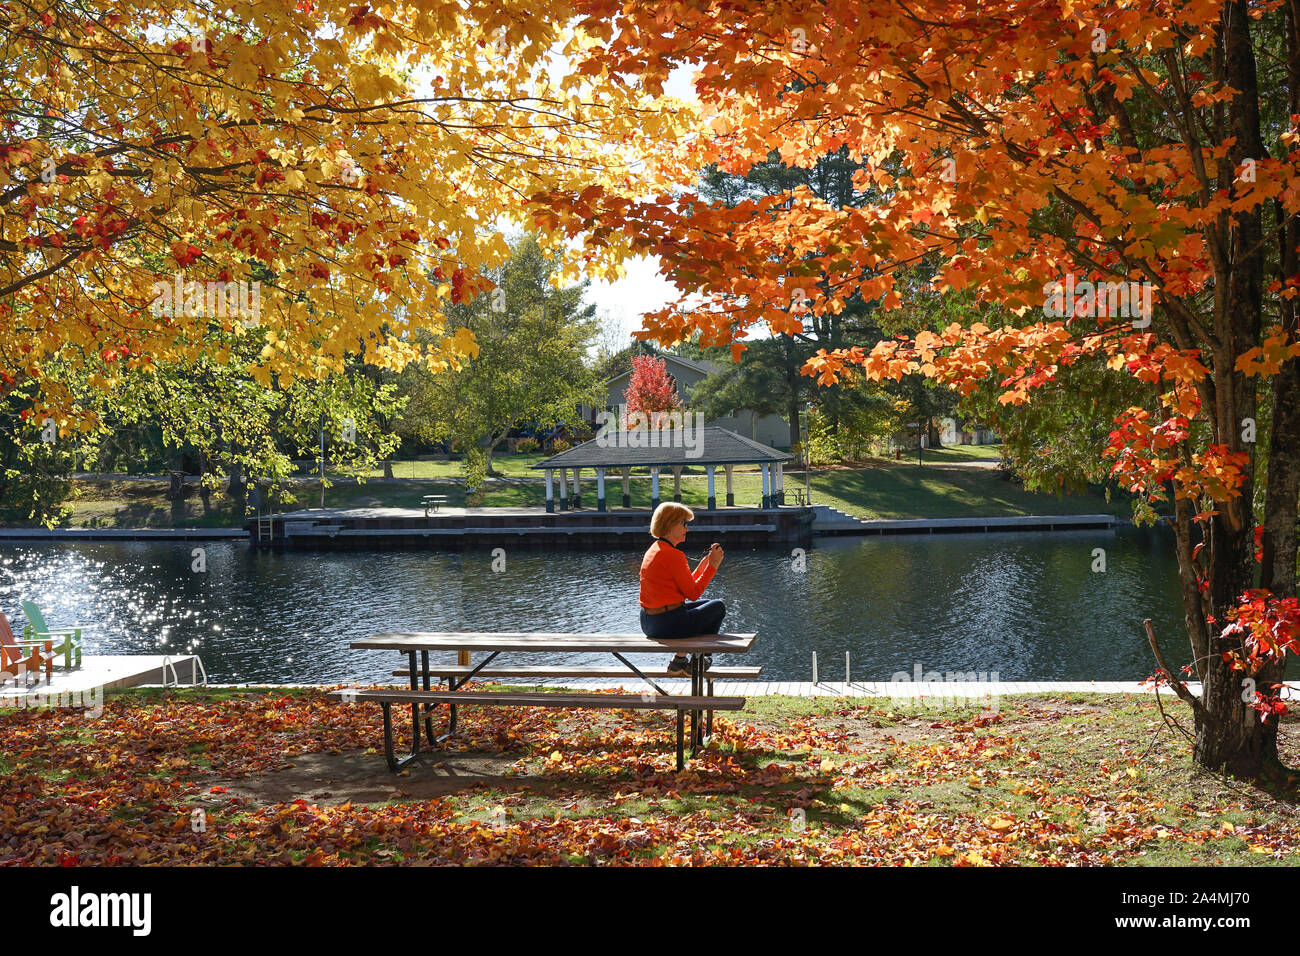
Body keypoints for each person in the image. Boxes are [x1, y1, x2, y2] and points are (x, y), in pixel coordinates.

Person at [638, 502, 726, 678]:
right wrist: (713, 566)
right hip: (668, 624)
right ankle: (700, 661)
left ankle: (679, 661)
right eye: (683, 524)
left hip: (649, 621)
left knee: (708, 605)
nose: (687, 529)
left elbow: (684, 587)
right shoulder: (673, 555)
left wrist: (703, 567)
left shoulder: (655, 549)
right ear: (669, 524)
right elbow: (693, 594)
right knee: (718, 607)